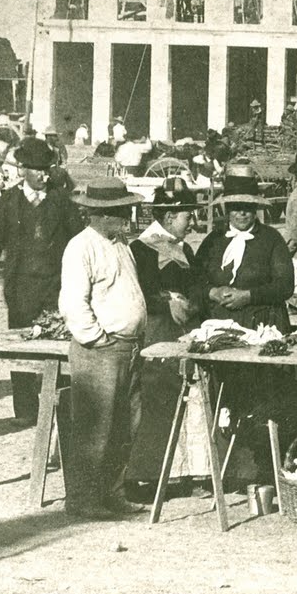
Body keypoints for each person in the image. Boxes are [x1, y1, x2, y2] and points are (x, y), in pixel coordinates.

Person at [195, 167, 297, 475]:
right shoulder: (214, 241)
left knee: (265, 401)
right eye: (235, 206)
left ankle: (269, 471)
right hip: (223, 334)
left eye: (247, 206)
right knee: (228, 399)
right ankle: (232, 472)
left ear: (256, 207)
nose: (241, 212)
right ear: (226, 208)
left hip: (262, 326)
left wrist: (248, 296)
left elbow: (285, 286)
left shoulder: (271, 240)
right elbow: (196, 281)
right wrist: (212, 291)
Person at [58, 178, 148, 520]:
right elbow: (73, 302)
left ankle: (112, 492)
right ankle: (82, 498)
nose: (127, 215)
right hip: (100, 349)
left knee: (125, 425)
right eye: (120, 210)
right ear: (101, 214)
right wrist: (97, 338)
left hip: (128, 348)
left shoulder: (120, 243)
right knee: (94, 427)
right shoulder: (81, 248)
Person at [0, 137, 84, 422]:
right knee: (21, 349)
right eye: (38, 170)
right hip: (20, 288)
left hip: (54, 287)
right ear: (24, 170)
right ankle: (25, 410)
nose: (44, 175)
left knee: (57, 348)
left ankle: (61, 410)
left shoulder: (62, 201)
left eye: (47, 169)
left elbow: (78, 239)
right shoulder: (9, 200)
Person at [126, 178, 208, 488]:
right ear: (170, 217)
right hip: (157, 334)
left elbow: (198, 283)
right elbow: (137, 292)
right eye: (188, 216)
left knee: (190, 396)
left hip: (185, 331)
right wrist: (165, 302)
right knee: (158, 398)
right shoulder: (140, 249)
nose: (192, 223)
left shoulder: (185, 248)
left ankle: (188, 472)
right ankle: (150, 476)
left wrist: (193, 302)